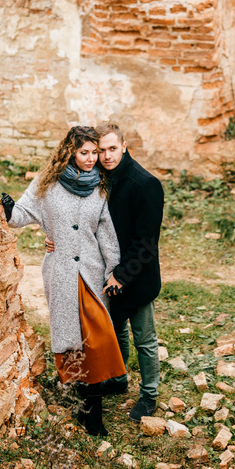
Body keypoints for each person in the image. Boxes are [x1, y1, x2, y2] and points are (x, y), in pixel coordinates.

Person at [0, 126, 126, 437]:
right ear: (70, 152)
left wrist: (114, 270)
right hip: (60, 273)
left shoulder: (99, 187)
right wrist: (8, 210)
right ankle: (84, 404)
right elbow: (22, 214)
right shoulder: (47, 186)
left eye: (94, 153)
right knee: (72, 342)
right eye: (84, 153)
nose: (91, 158)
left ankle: (94, 415)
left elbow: (106, 233)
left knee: (95, 340)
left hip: (92, 275)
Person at [95, 122, 165, 423]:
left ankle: (149, 395)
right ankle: (119, 378)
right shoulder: (98, 178)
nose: (107, 156)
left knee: (144, 338)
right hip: (108, 270)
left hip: (137, 274)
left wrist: (122, 276)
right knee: (116, 329)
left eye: (112, 148)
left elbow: (147, 243)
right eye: (101, 151)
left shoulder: (145, 184)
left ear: (124, 146)